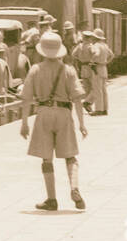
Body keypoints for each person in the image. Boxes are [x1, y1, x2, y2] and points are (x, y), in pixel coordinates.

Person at [19, 31, 88, 210]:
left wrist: (24, 122)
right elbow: (78, 99)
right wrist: (81, 124)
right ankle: (74, 188)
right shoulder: (68, 70)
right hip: (64, 114)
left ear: (41, 50)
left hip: (43, 114)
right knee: (70, 156)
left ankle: (51, 200)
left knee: (46, 159)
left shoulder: (35, 69)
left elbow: (26, 98)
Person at [88, 30, 113, 115]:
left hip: (97, 68)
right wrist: (106, 62)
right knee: (104, 90)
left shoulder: (96, 45)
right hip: (104, 68)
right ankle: (105, 109)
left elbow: (96, 53)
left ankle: (98, 109)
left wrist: (92, 61)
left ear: (95, 37)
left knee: (97, 89)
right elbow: (112, 55)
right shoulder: (105, 45)